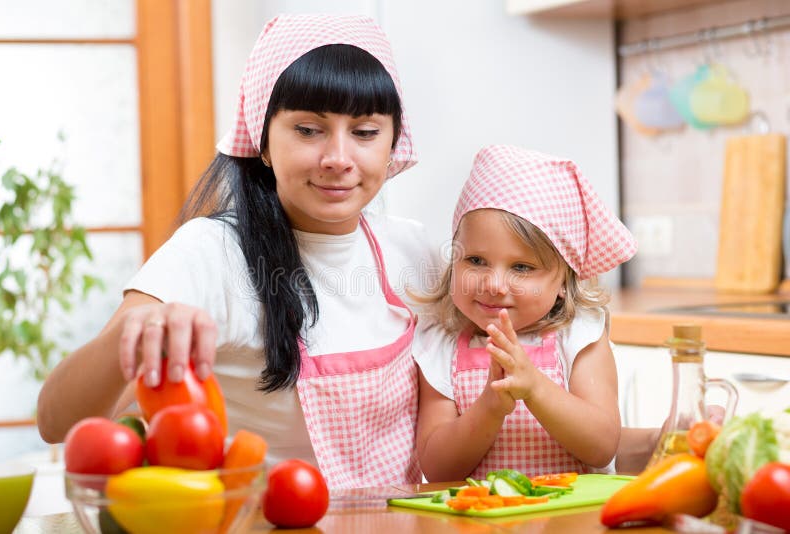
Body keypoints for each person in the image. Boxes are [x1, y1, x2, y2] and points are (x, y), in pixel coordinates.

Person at [37, 14, 440, 490]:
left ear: (393, 141)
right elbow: (56, 422)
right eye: (309, 130)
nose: (338, 158)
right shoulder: (209, 254)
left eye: (366, 132)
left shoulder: (414, 250)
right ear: (263, 140)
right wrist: (130, 329)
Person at [413, 145, 638, 482]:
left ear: (564, 280)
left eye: (521, 267)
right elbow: (436, 468)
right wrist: (489, 407)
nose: (495, 284)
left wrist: (534, 387)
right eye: (475, 260)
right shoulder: (440, 345)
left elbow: (603, 445)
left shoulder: (579, 336)